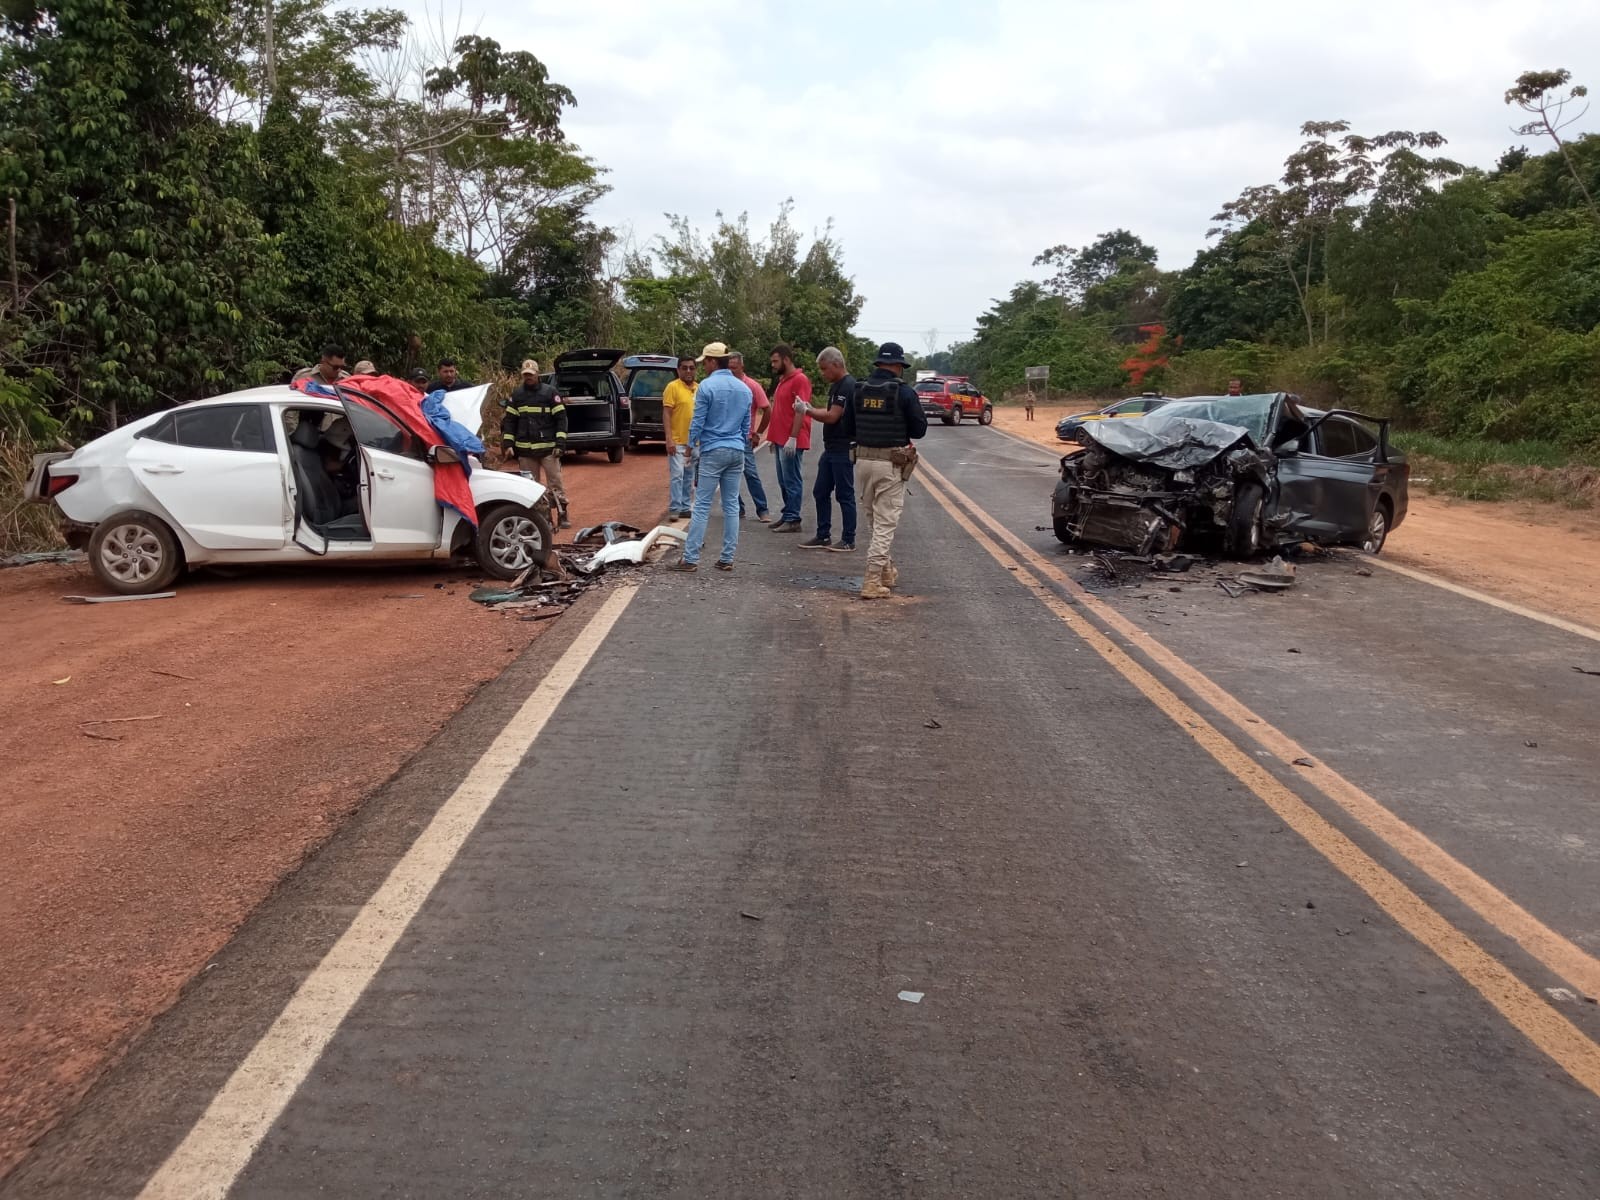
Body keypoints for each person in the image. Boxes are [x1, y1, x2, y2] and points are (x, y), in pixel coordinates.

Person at [841, 342, 928, 599]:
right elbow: (919, 430)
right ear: (899, 366)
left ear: (878, 363)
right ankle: (871, 580)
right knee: (885, 522)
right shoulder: (904, 392)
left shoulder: (858, 389)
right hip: (890, 464)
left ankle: (887, 572)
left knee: (874, 520)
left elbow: (847, 428)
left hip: (863, 462)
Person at [671, 343, 751, 573]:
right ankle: (727, 558)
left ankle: (690, 558)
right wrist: (739, 443)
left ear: (713, 362)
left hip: (713, 450)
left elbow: (698, 421)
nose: (703, 366)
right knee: (731, 505)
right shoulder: (743, 388)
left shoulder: (706, 386)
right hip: (736, 450)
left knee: (702, 505)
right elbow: (746, 425)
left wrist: (689, 447)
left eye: (705, 362)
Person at [798, 346, 856, 552]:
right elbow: (829, 411)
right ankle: (823, 535)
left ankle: (848, 539)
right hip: (831, 448)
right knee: (820, 491)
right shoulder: (836, 386)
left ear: (836, 364)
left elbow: (832, 417)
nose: (823, 373)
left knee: (844, 494)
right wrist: (810, 407)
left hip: (843, 447)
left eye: (825, 369)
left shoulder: (847, 386)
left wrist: (807, 411)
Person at [501, 359, 571, 528]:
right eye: (526, 375)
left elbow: (561, 419)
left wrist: (560, 443)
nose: (528, 377)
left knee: (555, 484)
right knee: (531, 487)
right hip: (525, 451)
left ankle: (562, 514)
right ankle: (543, 518)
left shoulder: (550, 393)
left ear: (537, 374)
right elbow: (509, 421)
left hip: (549, 449)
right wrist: (508, 444)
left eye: (531, 374)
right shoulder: (517, 395)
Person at [765, 343, 812, 531]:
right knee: (784, 480)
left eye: (775, 361)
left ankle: (793, 518)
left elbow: (801, 410)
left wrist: (793, 438)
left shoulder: (800, 380)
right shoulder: (783, 380)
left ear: (786, 359)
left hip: (791, 439)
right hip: (780, 439)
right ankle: (788, 514)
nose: (773, 365)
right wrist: (773, 437)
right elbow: (780, 410)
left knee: (791, 479)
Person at [729, 353, 771, 521]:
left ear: (742, 367)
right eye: (729, 368)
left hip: (744, 439)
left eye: (734, 367)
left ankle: (763, 510)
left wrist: (758, 433)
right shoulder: (725, 385)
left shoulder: (752, 386)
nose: (731, 371)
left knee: (751, 474)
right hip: (727, 438)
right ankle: (738, 508)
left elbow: (767, 409)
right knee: (727, 475)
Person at [662, 355, 698, 518]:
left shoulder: (699, 388)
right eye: (684, 368)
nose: (688, 371)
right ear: (678, 370)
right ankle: (675, 508)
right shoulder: (672, 387)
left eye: (691, 368)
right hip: (677, 441)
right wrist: (669, 439)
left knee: (689, 476)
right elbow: (667, 414)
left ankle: (685, 507)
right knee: (677, 475)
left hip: (694, 442)